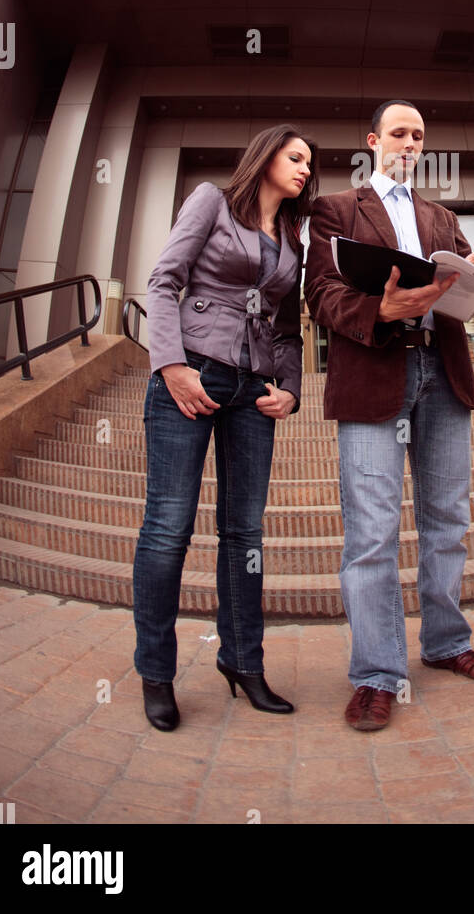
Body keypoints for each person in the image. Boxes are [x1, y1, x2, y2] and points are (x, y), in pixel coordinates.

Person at [304, 100, 474, 732]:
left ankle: (446, 643)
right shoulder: (336, 209)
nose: (410, 143)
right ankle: (375, 674)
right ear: (373, 141)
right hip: (374, 374)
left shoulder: (444, 219)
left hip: (442, 374)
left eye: (419, 135)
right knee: (372, 531)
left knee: (448, 516)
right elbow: (321, 294)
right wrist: (381, 312)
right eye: (399, 133)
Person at [132, 125, 317, 731]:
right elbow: (163, 281)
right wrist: (171, 365)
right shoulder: (211, 199)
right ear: (264, 158)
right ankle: (155, 674)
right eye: (295, 158)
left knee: (245, 533)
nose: (304, 171)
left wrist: (289, 389)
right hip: (191, 376)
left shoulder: (293, 238)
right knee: (168, 528)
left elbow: (290, 329)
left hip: (251, 392)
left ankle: (243, 662)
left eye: (309, 164)